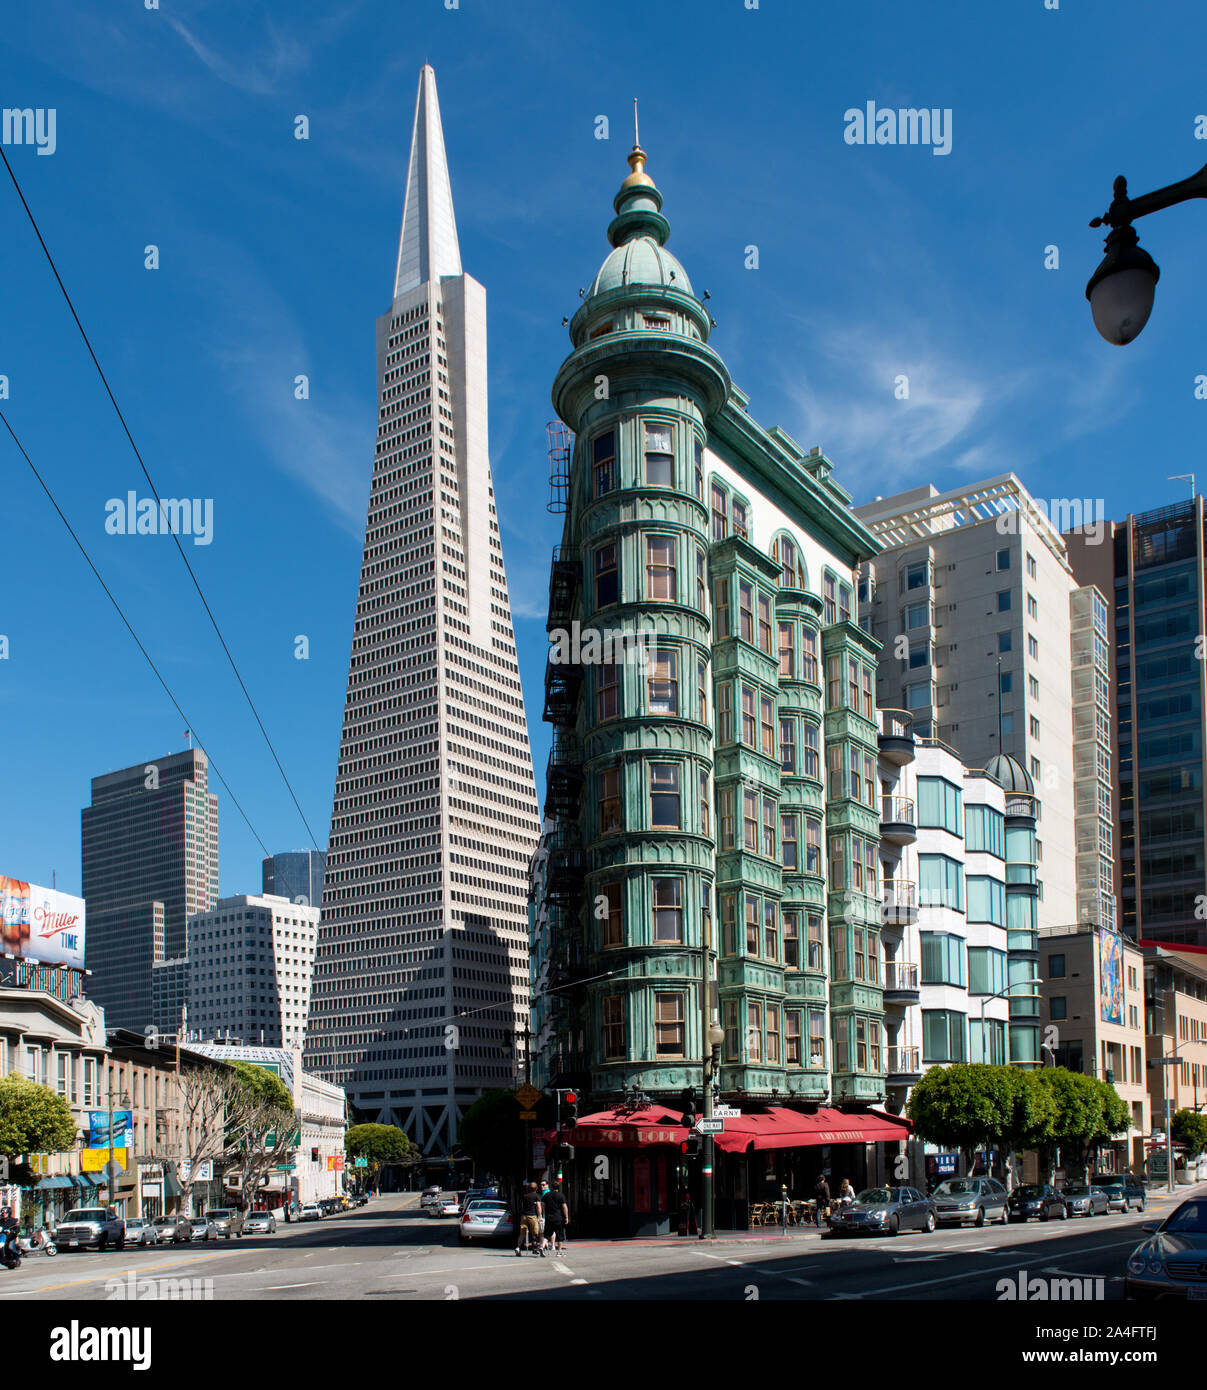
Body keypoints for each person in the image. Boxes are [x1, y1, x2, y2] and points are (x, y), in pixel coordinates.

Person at [515, 1181, 543, 1256]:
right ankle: (534, 1248)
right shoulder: (537, 1196)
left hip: (524, 1216)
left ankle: (518, 1247)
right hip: (532, 1216)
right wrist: (540, 1216)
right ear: (536, 1188)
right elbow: (539, 1207)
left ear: (528, 1188)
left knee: (522, 1233)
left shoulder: (525, 1196)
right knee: (535, 1233)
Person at [543, 1182, 569, 1255]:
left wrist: (544, 1213)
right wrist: (566, 1217)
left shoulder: (547, 1195)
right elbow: (564, 1207)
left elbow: (543, 1205)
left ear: (552, 1187)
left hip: (549, 1218)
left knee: (547, 1234)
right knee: (560, 1235)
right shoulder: (561, 1195)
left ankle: (541, 1247)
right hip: (558, 1218)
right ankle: (559, 1252)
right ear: (559, 1187)